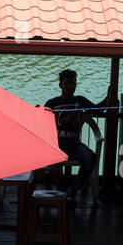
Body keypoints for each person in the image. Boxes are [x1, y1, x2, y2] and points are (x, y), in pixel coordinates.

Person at [45, 68, 104, 198]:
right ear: (61, 85)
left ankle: (74, 187)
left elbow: (97, 110)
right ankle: (48, 188)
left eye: (73, 83)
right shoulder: (52, 103)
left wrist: (108, 97)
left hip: (74, 144)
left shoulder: (80, 100)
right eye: (67, 83)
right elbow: (43, 123)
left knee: (90, 158)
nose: (71, 86)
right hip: (57, 144)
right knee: (42, 158)